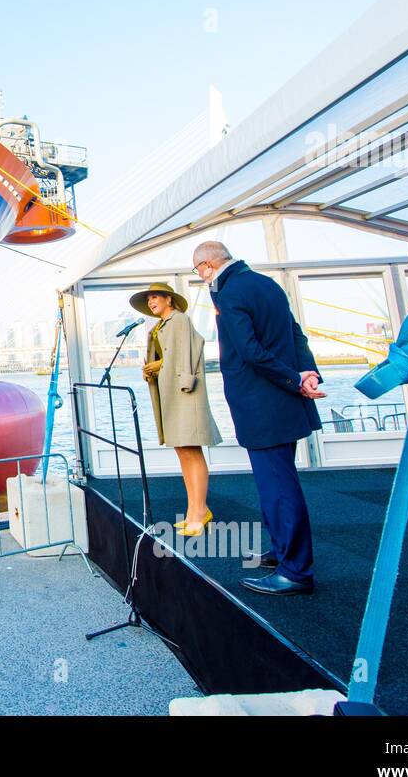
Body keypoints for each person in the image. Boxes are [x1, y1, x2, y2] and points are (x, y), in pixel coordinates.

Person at [192, 241, 323, 596]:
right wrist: (306, 372)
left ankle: (296, 571)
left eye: (198, 271)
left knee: (277, 487)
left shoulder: (229, 293)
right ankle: (282, 551)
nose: (201, 278)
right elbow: (295, 334)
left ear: (207, 265)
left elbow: (250, 352)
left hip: (260, 403)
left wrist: (295, 379)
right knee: (278, 480)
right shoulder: (268, 285)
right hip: (283, 402)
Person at [131, 282, 221, 536]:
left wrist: (160, 365)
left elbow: (186, 354)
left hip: (185, 392)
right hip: (172, 393)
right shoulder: (161, 326)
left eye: (155, 297)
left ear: (169, 300)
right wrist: (153, 368)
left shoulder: (179, 320)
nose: (151, 302)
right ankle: (194, 511)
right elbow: (168, 357)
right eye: (148, 299)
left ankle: (200, 511)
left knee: (192, 452)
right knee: (183, 452)